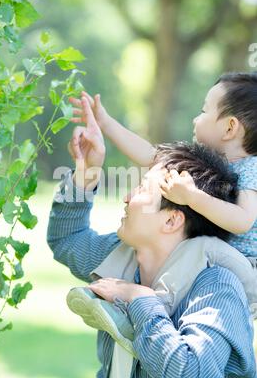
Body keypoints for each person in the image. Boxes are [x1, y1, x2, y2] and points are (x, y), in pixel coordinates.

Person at [47, 96, 256, 378]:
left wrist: (139, 299)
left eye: (142, 190)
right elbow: (67, 240)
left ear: (172, 219)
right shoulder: (124, 257)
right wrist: (87, 172)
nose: (128, 198)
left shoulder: (217, 290)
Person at [67, 73, 257, 349]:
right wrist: (106, 124)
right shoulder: (207, 162)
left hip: (247, 269)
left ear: (230, 128)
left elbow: (242, 221)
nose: (196, 119)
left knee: (199, 245)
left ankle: (148, 304)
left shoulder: (250, 168)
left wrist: (192, 197)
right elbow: (150, 155)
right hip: (218, 266)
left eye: (204, 111)